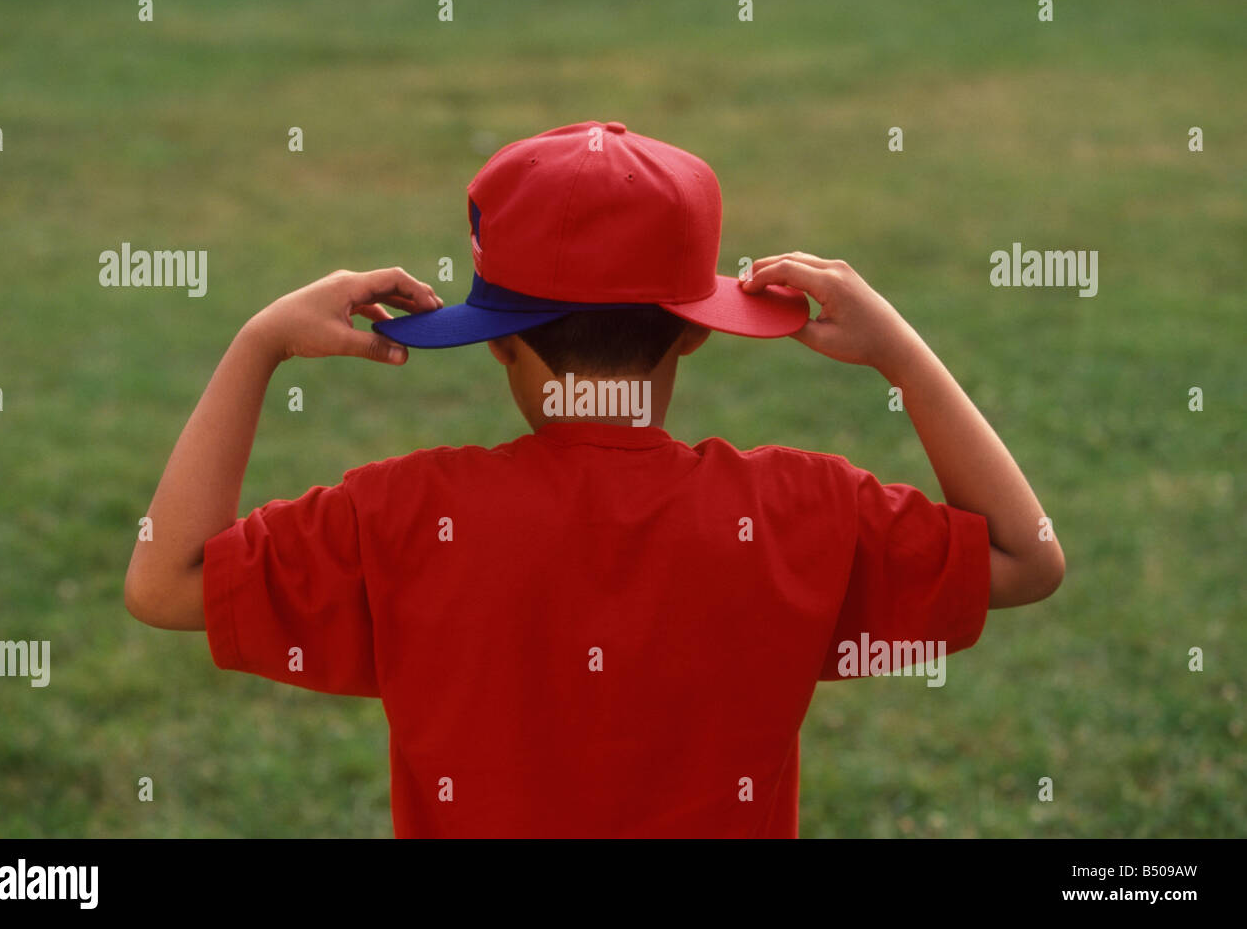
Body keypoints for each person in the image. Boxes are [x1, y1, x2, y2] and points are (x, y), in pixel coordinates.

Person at [125, 121, 1064, 837]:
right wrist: (902, 354)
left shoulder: (403, 515)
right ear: (696, 327)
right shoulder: (798, 510)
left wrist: (256, 348)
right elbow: (1029, 557)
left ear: (497, 344)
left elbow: (165, 582)